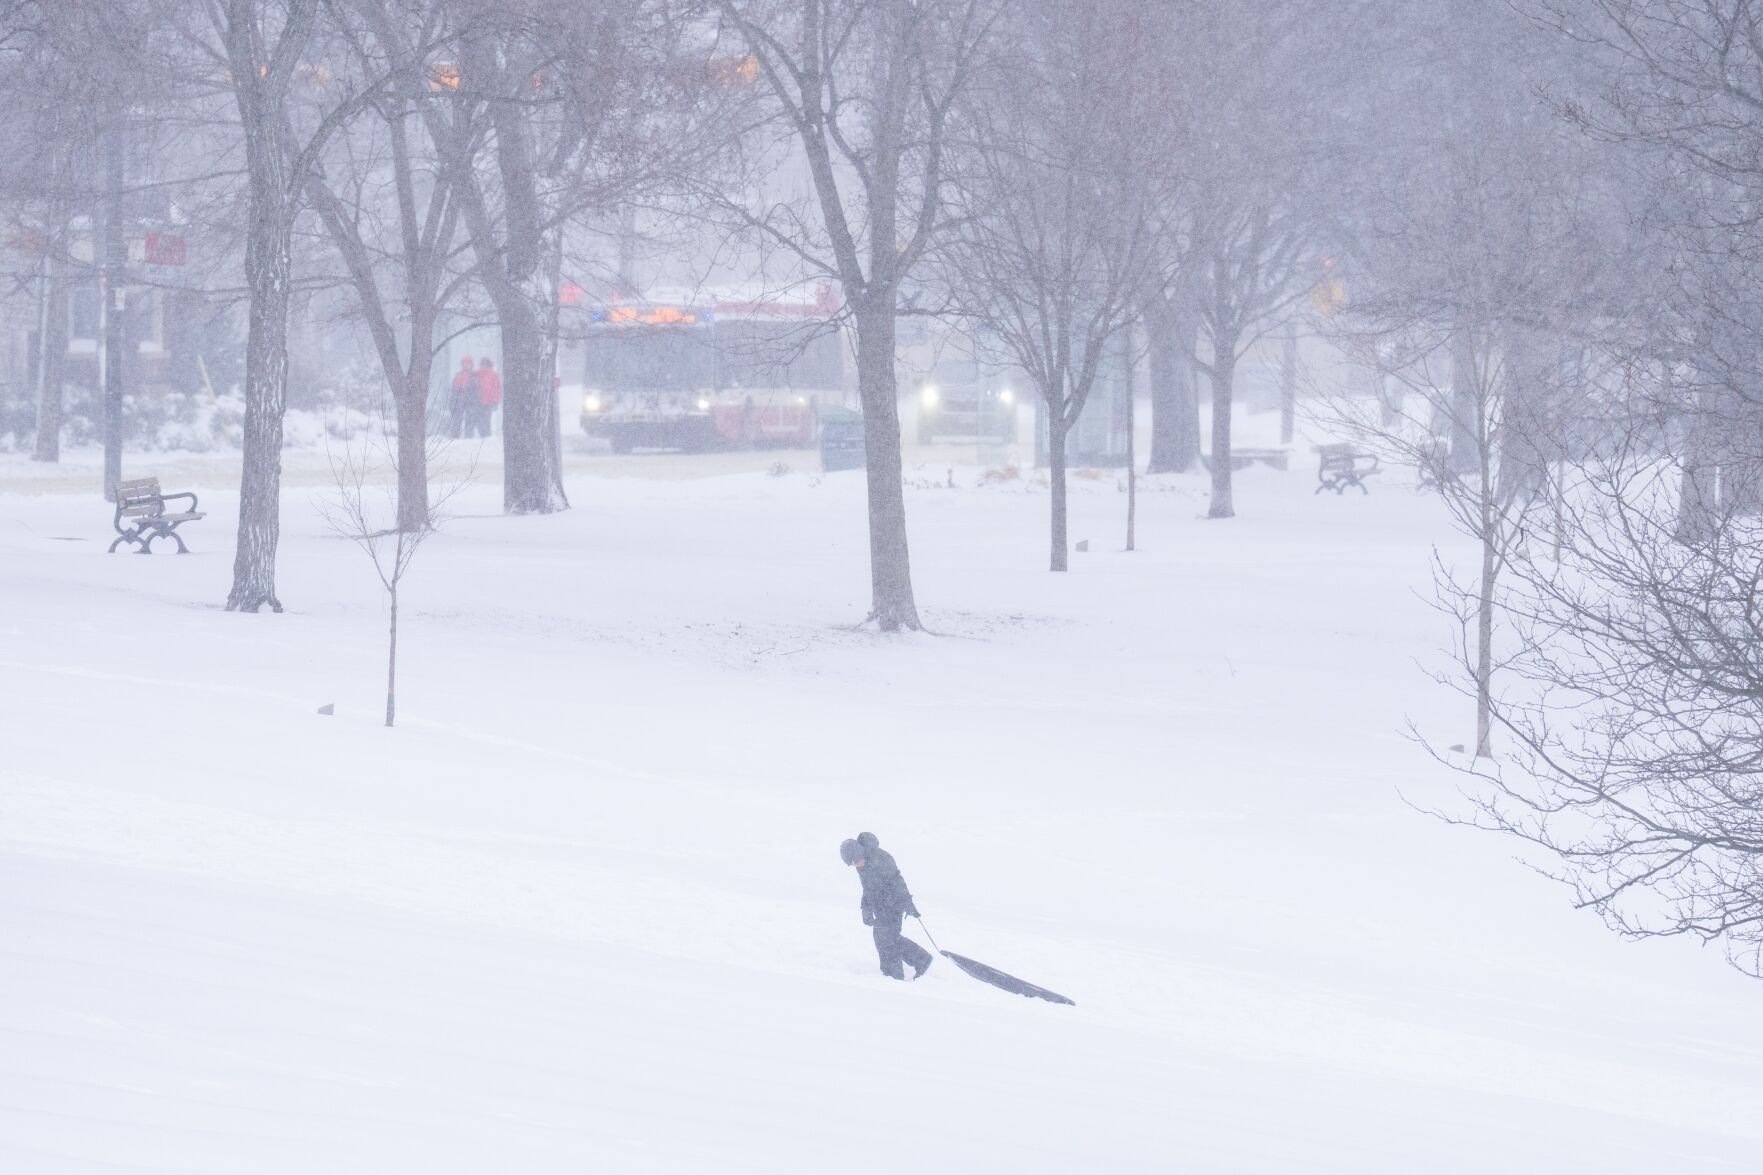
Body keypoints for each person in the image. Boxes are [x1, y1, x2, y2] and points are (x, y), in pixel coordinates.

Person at [839, 831, 933, 981]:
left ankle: (893, 976)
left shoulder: (881, 859)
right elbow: (868, 888)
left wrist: (907, 902)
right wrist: (866, 909)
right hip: (880, 905)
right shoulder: (862, 864)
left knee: (885, 939)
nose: (855, 865)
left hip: (893, 903)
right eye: (852, 864)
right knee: (888, 938)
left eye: (855, 861)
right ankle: (921, 959)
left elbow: (897, 880)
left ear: (859, 853)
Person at [473, 356, 503, 437]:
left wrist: (496, 401)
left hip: (489, 402)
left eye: (486, 364)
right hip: (478, 401)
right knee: (479, 420)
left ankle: (486, 435)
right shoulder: (476, 374)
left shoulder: (493, 375)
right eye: (483, 364)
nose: (484, 366)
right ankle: (483, 434)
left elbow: (497, 388)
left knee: (486, 419)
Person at [448, 356, 477, 438]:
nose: (467, 365)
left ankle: (469, 436)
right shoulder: (458, 375)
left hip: (470, 400)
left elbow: (477, 389)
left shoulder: (474, 375)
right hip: (459, 399)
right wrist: (453, 399)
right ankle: (455, 436)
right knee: (457, 418)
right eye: (465, 363)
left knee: (470, 419)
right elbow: (454, 389)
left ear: (471, 364)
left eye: (469, 363)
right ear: (462, 364)